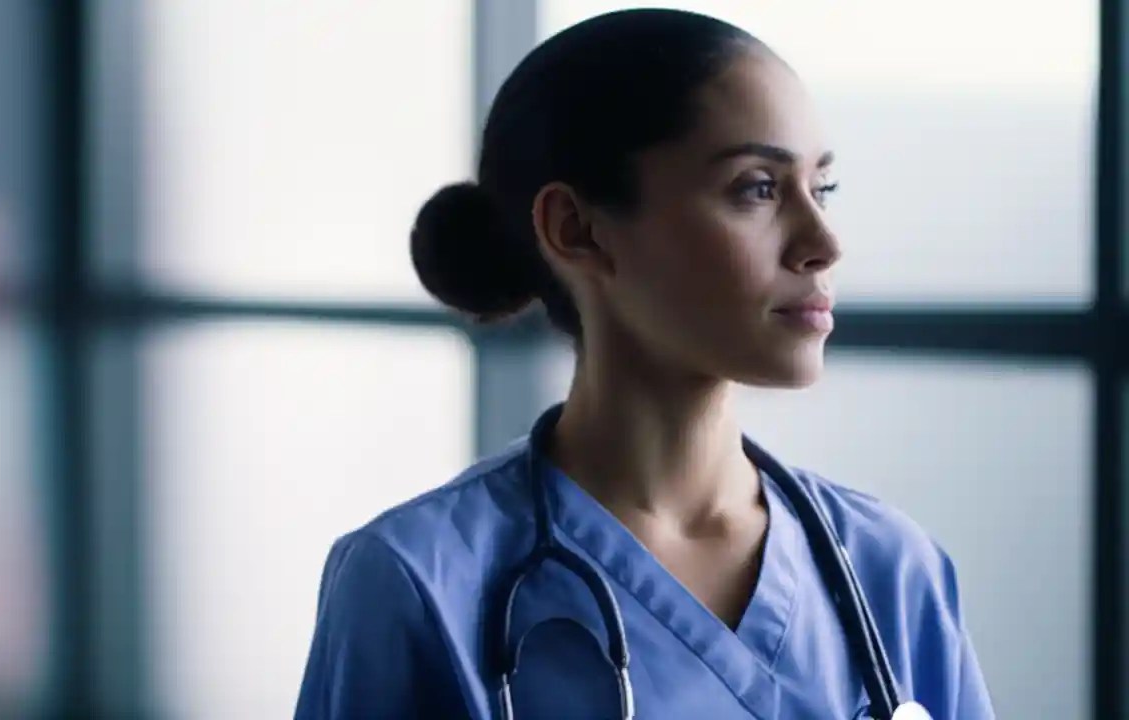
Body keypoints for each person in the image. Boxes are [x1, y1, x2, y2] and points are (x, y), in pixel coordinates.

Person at [294, 9, 994, 719]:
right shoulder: (417, 583)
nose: (824, 243)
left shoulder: (889, 570)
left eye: (823, 189)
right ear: (577, 230)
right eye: (757, 188)